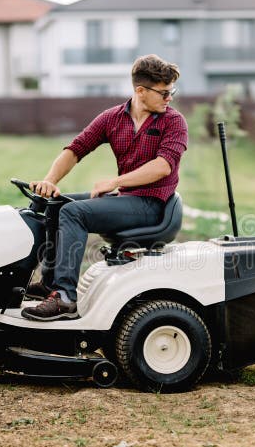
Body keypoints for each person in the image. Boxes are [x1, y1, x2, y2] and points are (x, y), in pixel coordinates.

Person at [21, 54, 187, 321]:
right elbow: (76, 149)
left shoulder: (173, 121)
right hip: (125, 200)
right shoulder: (112, 118)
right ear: (140, 91)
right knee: (56, 205)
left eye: (172, 92)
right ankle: (49, 285)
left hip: (152, 205)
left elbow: (163, 166)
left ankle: (65, 298)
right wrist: (51, 180)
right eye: (165, 93)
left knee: (73, 213)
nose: (170, 98)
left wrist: (116, 181)